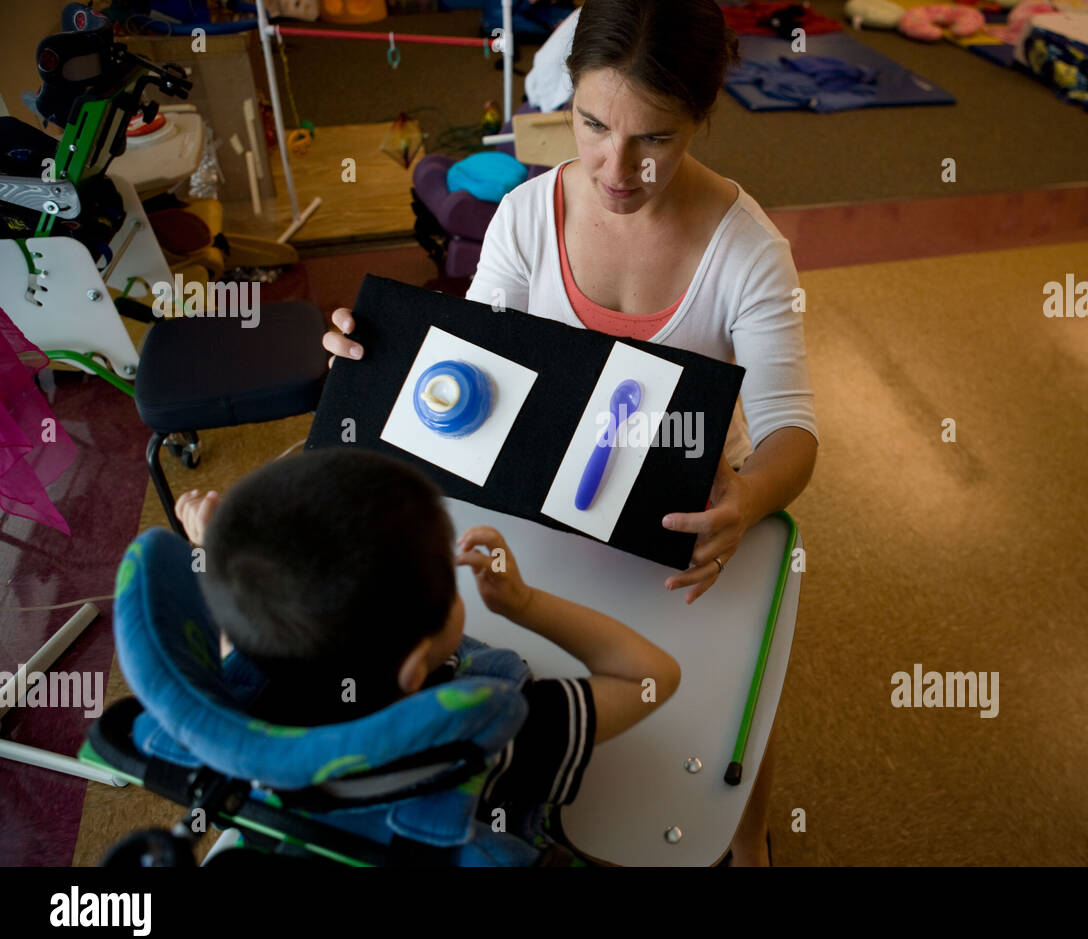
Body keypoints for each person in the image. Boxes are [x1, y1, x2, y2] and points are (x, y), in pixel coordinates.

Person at [322, 0, 816, 865]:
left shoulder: (749, 253)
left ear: (702, 118)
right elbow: (480, 363)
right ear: (568, 101)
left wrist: (746, 499)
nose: (615, 168)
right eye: (592, 125)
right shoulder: (524, 214)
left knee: (737, 687)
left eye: (653, 139)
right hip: (539, 503)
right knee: (493, 648)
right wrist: (379, 361)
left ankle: (746, 841)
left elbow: (793, 432)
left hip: (671, 526)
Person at [173, 449, 680, 864]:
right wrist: (524, 604)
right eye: (449, 583)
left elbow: (235, 639)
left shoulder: (232, 700)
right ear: (416, 668)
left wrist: (218, 549)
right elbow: (651, 678)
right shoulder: (487, 734)